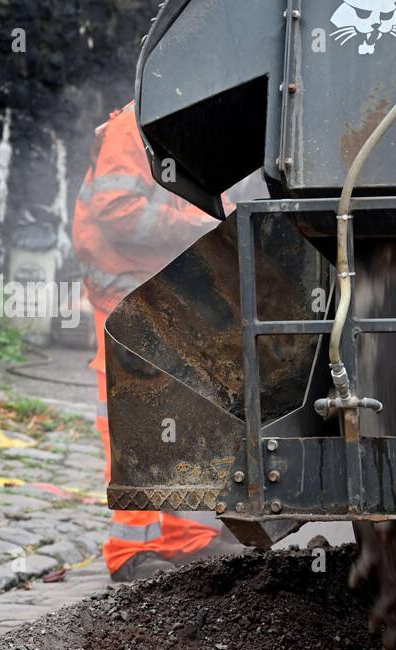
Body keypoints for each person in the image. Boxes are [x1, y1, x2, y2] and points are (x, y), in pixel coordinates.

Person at [72, 102, 242, 582]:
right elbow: (117, 213)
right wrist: (204, 229)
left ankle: (186, 537)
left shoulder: (181, 128)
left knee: (181, 413)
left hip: (160, 291)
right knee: (138, 418)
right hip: (129, 292)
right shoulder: (137, 127)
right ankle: (130, 551)